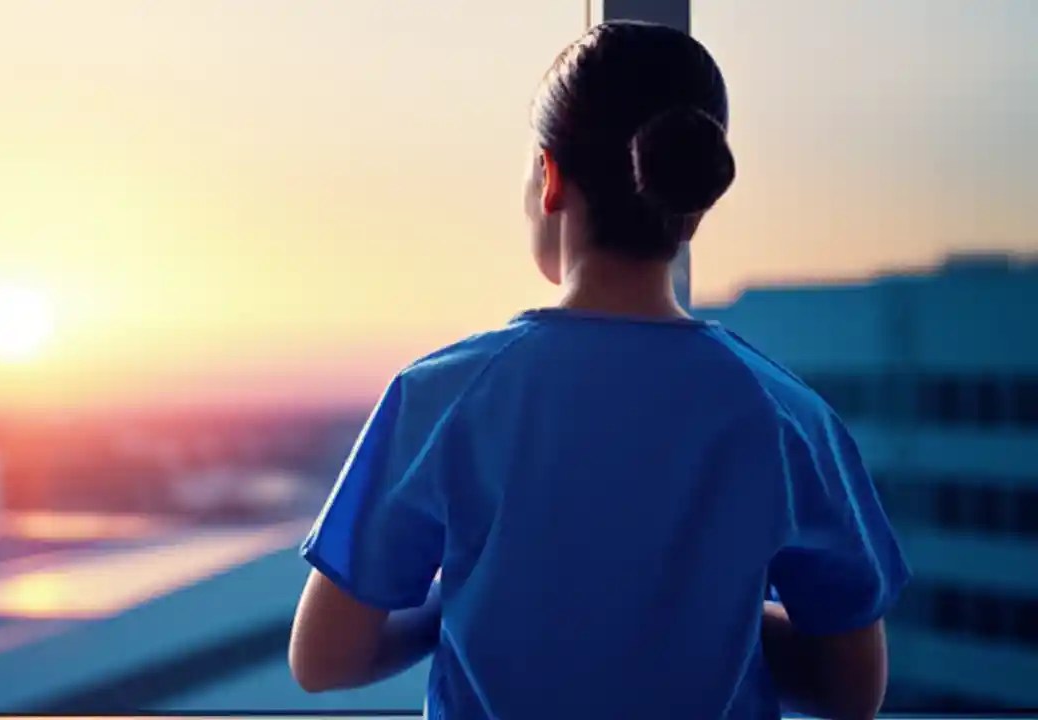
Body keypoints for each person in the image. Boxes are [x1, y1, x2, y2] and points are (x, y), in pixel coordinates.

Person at [288, 20, 910, 720]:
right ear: (695, 205)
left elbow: (322, 658)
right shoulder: (784, 415)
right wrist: (707, 614)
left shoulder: (444, 397)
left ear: (550, 179)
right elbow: (853, 691)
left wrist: (463, 597)